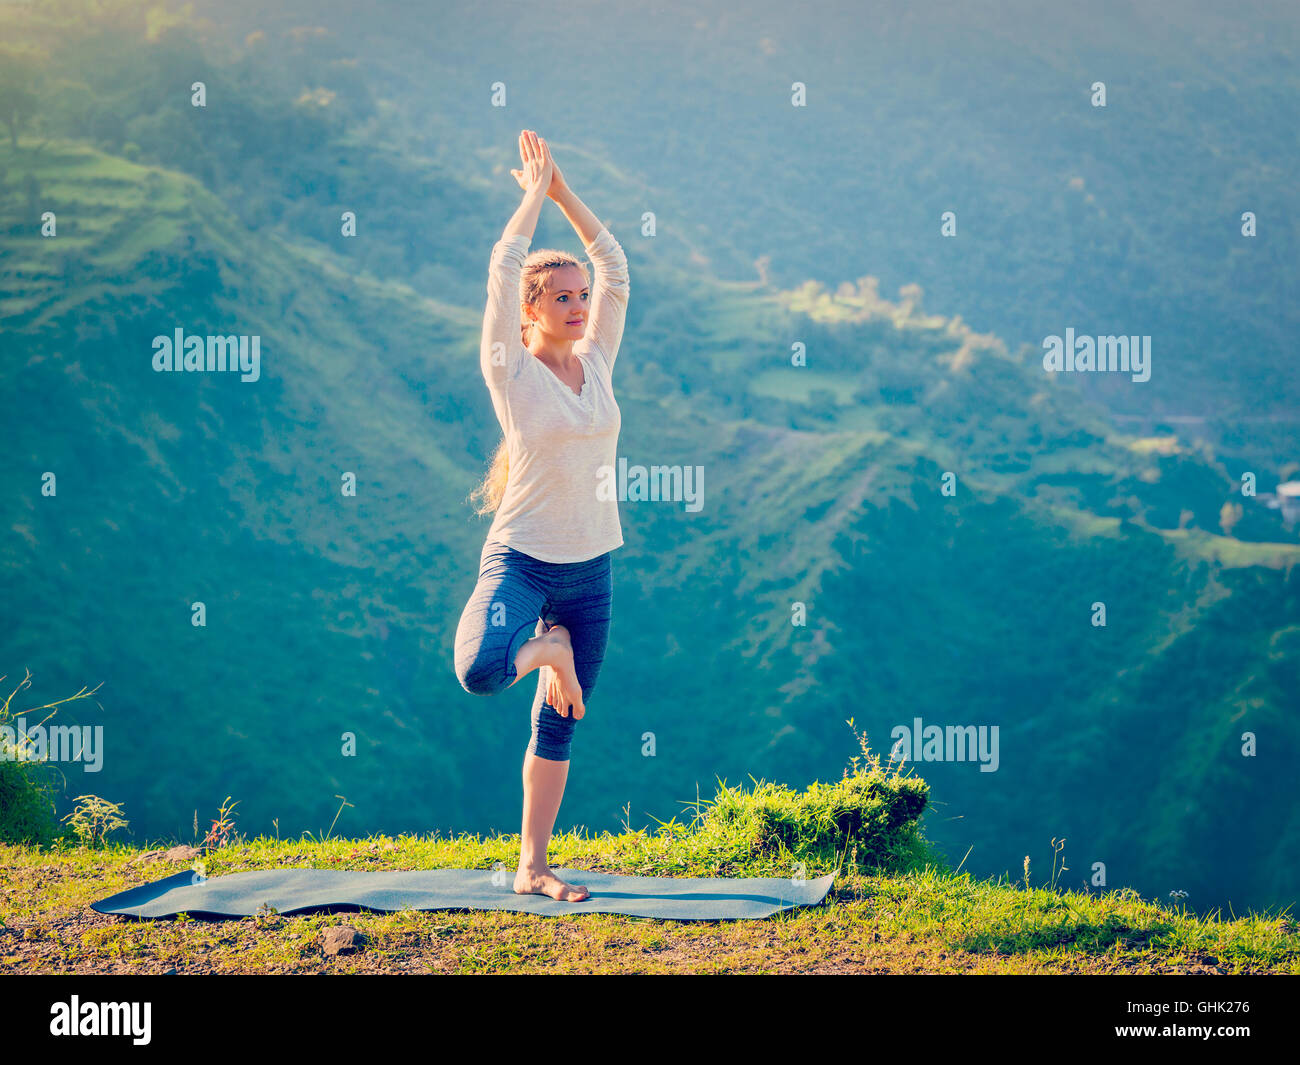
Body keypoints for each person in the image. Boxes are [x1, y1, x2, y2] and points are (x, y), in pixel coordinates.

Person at [454, 130, 629, 902]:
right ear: (529, 309)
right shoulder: (510, 371)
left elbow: (616, 267)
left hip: (591, 570)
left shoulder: (596, 362)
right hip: (522, 562)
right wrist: (530, 197)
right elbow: (499, 269)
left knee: (559, 723)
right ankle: (546, 646)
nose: (579, 303)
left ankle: (532, 864)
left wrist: (563, 190)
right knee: (482, 669)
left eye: (579, 296)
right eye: (562, 296)